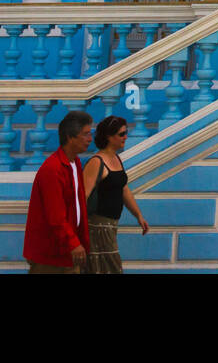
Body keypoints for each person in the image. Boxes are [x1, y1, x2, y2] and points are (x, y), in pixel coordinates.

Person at [23, 110, 92, 273]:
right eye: (85, 134)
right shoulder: (53, 169)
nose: (90, 139)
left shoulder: (75, 164)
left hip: (68, 253)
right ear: (70, 137)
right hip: (51, 256)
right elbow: (55, 216)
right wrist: (74, 243)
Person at [83, 115, 149, 274]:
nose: (125, 137)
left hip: (111, 225)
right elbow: (82, 195)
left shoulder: (116, 158)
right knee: (109, 266)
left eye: (126, 133)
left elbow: (123, 188)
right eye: (121, 134)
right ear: (108, 136)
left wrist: (138, 215)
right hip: (97, 226)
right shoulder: (96, 161)